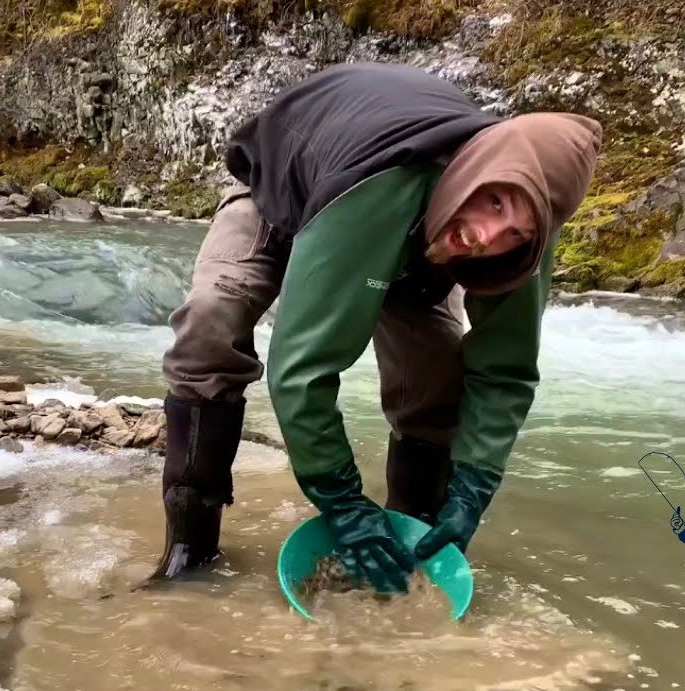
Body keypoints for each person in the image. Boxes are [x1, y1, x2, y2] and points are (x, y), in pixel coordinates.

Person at [149, 62, 602, 594]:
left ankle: (410, 555)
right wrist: (342, 503)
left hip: (420, 248)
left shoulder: (526, 228)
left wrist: (472, 489)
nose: (487, 236)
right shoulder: (389, 181)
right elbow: (302, 369)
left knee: (437, 379)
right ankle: (190, 554)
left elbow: (505, 370)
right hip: (288, 197)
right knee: (210, 324)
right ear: (481, 168)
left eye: (516, 232)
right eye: (495, 201)